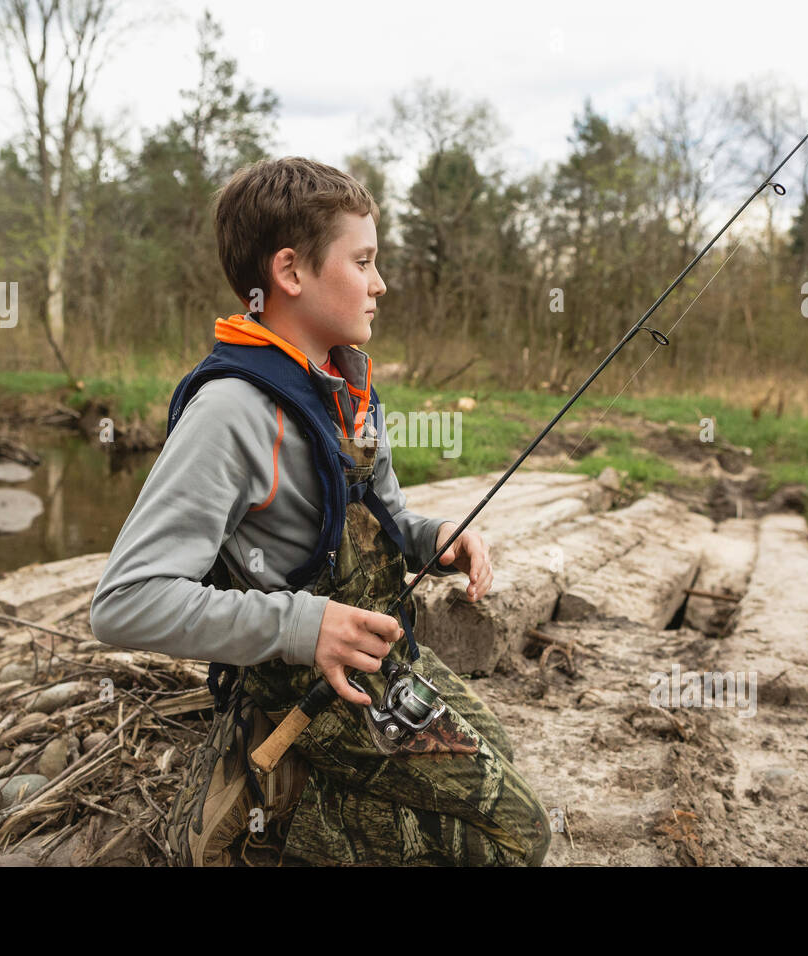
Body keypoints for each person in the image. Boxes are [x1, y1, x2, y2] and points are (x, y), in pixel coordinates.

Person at [90, 156, 550, 867]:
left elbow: (382, 516)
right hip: (305, 682)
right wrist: (305, 625)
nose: (379, 283)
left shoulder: (345, 381)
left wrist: (435, 539)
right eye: (362, 261)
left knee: (504, 758)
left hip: (376, 658)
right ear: (291, 272)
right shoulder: (231, 413)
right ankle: (280, 819)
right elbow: (123, 603)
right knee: (517, 838)